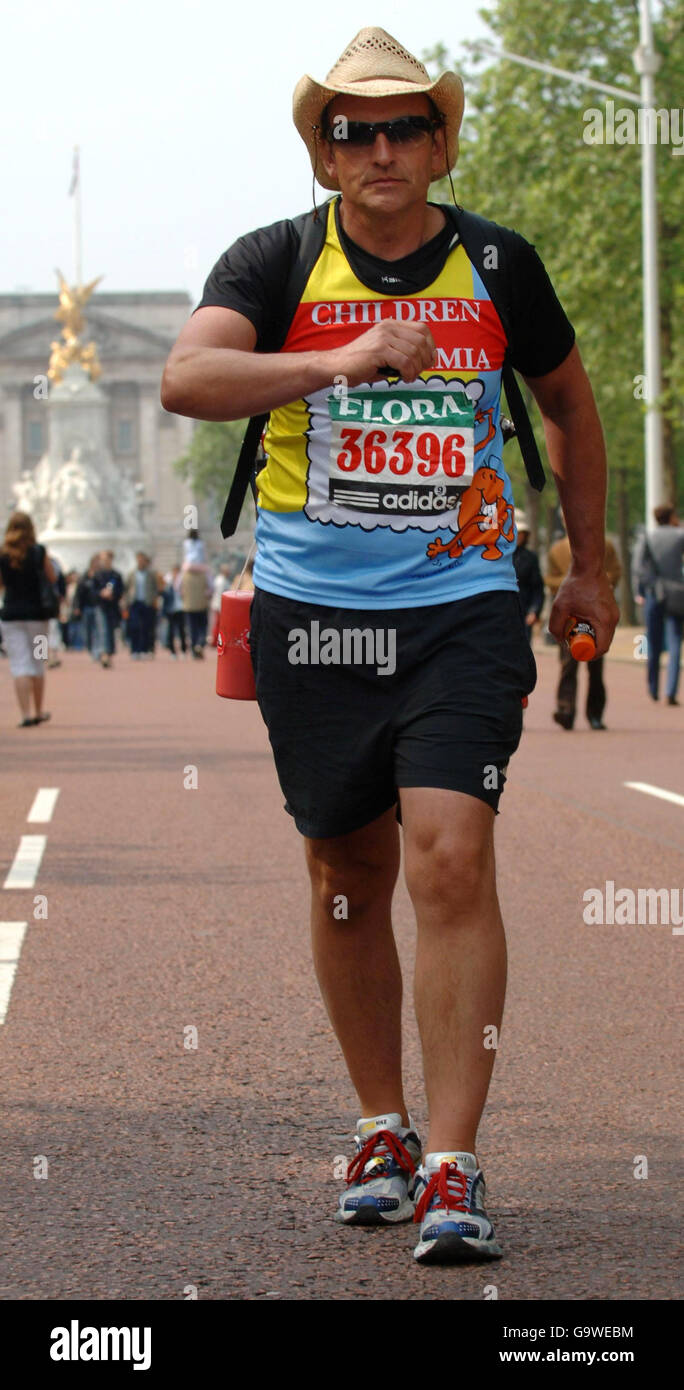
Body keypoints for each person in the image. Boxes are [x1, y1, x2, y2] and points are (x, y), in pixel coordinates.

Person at [161, 26, 619, 1265]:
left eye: (403, 125)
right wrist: (342, 359)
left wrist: (591, 558)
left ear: (439, 141)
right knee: (344, 871)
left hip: (463, 608)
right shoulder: (277, 261)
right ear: (324, 151)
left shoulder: (498, 265)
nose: (379, 148)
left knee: (451, 855)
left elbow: (570, 400)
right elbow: (187, 379)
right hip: (315, 618)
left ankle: (458, 1161)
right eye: (352, 130)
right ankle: (382, 1125)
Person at [545, 528, 621, 730]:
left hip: (594, 612)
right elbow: (549, 578)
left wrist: (598, 581)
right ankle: (565, 710)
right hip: (568, 617)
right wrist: (569, 585)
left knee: (595, 666)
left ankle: (595, 714)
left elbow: (616, 571)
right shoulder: (557, 549)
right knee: (567, 665)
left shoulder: (606, 546)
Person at [0, 510, 55, 726]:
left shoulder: (3, 554)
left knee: (19, 665)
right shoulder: (39, 552)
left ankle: (25, 714)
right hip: (38, 617)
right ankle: (39, 710)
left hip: (12, 616)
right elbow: (52, 577)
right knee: (38, 661)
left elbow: (1, 584)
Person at [631, 503, 684, 706]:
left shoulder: (647, 538)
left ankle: (653, 687)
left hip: (655, 594)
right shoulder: (679, 536)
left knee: (653, 642)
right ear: (671, 516)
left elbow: (638, 567)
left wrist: (648, 586)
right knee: (675, 641)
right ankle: (671, 690)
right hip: (677, 593)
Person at [512, 511, 544, 643]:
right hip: (501, 612)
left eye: (521, 533)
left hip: (524, 612)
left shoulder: (530, 558)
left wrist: (534, 611)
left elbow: (537, 587)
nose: (518, 536)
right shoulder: (496, 555)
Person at [125, 552, 159, 658]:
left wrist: (154, 599)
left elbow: (156, 588)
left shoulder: (151, 574)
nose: (140, 562)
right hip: (135, 603)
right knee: (134, 627)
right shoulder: (132, 574)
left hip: (147, 603)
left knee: (146, 627)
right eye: (139, 560)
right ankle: (135, 650)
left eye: (142, 560)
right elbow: (126, 588)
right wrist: (126, 601)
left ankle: (145, 649)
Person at [94, 549, 124, 669]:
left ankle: (109, 653)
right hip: (101, 606)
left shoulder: (116, 575)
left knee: (111, 631)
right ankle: (104, 654)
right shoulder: (97, 575)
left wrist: (113, 595)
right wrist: (101, 593)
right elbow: (92, 592)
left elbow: (121, 590)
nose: (104, 562)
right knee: (103, 630)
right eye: (103, 560)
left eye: (107, 559)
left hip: (112, 606)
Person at [73, 555, 106, 660]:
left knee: (98, 630)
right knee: (87, 631)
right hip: (86, 607)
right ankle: (90, 649)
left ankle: (98, 651)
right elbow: (78, 593)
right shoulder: (84, 577)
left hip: (97, 606)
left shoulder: (101, 576)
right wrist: (77, 607)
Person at [181, 564, 211, 657]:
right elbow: (211, 588)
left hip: (189, 605)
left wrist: (184, 595)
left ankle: (194, 647)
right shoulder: (205, 574)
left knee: (192, 628)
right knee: (203, 626)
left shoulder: (184, 574)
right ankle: (200, 643)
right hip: (202, 604)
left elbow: (177, 587)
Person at [163, 564, 187, 656]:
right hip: (170, 609)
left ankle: (183, 649)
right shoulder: (168, 581)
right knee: (171, 630)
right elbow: (164, 594)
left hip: (181, 608)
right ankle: (172, 650)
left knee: (182, 630)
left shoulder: (182, 581)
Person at [209, 562, 233, 645]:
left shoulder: (219, 579)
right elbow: (221, 595)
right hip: (219, 605)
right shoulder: (222, 581)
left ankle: (215, 639)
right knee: (218, 624)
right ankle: (215, 640)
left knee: (217, 623)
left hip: (217, 604)